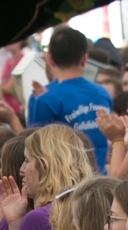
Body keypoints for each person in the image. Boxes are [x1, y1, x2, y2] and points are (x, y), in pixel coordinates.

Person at [26, 24, 112, 169]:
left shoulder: (44, 99)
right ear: (85, 59)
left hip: (64, 185)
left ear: (51, 60)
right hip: (100, 179)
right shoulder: (103, 93)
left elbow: (33, 151)